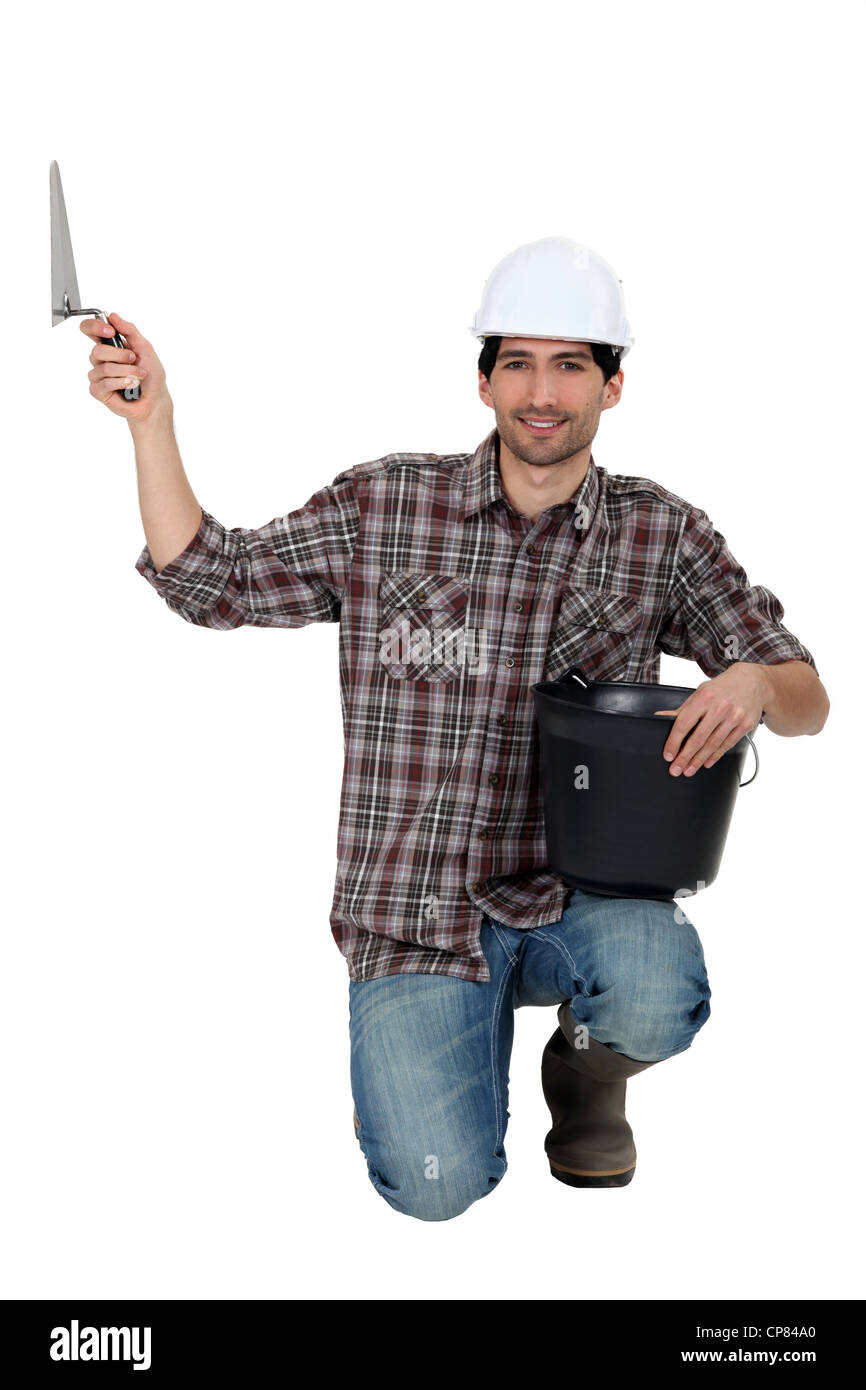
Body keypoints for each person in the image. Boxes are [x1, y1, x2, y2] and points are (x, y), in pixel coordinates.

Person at [80, 236, 829, 1222]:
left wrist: (746, 683)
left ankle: (583, 1069)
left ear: (612, 387)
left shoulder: (662, 533)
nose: (542, 391)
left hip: (581, 896)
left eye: (570, 365)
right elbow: (209, 583)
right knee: (435, 1187)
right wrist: (153, 423)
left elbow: (802, 694)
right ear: (482, 382)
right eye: (517, 362)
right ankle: (416, 1085)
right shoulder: (386, 503)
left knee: (654, 991)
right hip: (415, 911)